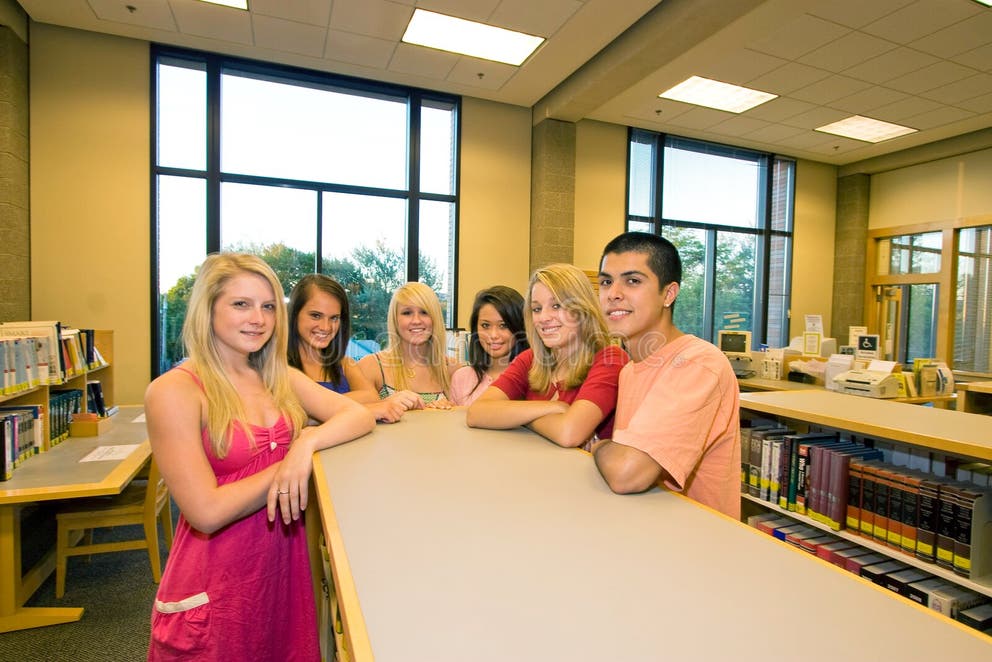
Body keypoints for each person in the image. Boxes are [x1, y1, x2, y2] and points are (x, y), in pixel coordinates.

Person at [144, 253, 376, 661]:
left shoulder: (277, 377)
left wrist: (305, 443)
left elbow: (357, 415)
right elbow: (205, 510)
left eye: (268, 306)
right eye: (241, 304)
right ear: (208, 308)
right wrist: (286, 467)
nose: (259, 318)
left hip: (282, 572)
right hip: (217, 583)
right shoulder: (174, 391)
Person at [594, 232, 741, 518]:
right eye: (606, 282)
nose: (613, 293)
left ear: (669, 294)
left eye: (633, 280)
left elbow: (627, 473)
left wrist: (600, 445)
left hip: (695, 541)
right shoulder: (630, 369)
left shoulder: (697, 363)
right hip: (645, 526)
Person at [466, 263, 628, 450]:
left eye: (556, 305)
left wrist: (518, 417)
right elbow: (477, 412)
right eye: (536, 309)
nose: (543, 318)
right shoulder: (530, 359)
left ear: (583, 309)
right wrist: (555, 408)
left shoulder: (610, 360)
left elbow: (569, 433)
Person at [287, 274, 420, 422]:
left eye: (334, 318)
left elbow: (371, 396)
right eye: (316, 316)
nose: (326, 327)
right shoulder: (277, 368)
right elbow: (291, 418)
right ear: (294, 314)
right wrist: (363, 408)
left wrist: (315, 411)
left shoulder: (344, 364)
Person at [356, 281, 458, 407]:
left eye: (424, 312)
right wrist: (385, 404)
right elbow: (349, 415)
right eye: (407, 313)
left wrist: (450, 411)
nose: (416, 320)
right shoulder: (371, 367)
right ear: (395, 319)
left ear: (435, 318)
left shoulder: (454, 370)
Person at [450, 285, 528, 406]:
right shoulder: (461, 378)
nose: (493, 335)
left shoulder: (536, 379)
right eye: (485, 325)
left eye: (503, 325)